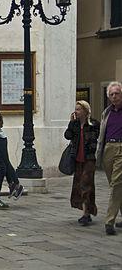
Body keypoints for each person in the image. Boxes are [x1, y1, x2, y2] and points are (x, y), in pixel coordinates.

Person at [65, 99, 100, 225]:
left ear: (85, 111)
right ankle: (87, 212)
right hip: (77, 159)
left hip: (89, 159)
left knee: (86, 184)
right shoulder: (74, 124)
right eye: (76, 109)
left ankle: (86, 213)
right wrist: (71, 123)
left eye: (79, 109)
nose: (76, 111)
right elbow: (67, 135)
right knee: (79, 185)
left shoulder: (94, 124)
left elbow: (94, 139)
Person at [96, 80, 122, 235]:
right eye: (111, 94)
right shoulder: (107, 112)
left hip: (121, 147)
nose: (114, 97)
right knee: (116, 184)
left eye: (117, 93)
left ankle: (109, 221)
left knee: (116, 183)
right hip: (108, 149)